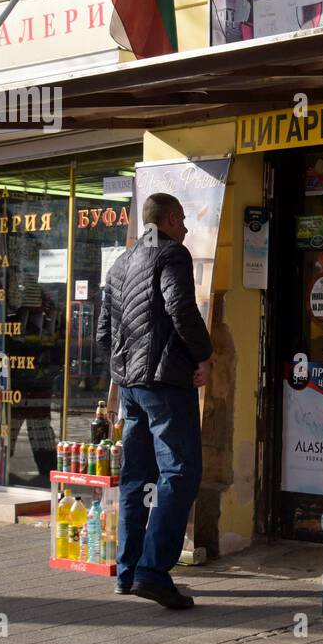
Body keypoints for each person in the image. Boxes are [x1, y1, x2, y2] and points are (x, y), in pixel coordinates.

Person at [97, 193, 213, 609]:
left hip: (131, 384)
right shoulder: (172, 254)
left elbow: (103, 331)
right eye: (182, 221)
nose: (185, 230)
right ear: (169, 219)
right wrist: (203, 356)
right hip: (164, 383)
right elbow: (181, 309)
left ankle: (126, 573)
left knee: (136, 476)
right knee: (180, 471)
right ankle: (153, 572)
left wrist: (122, 372)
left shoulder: (121, 263)